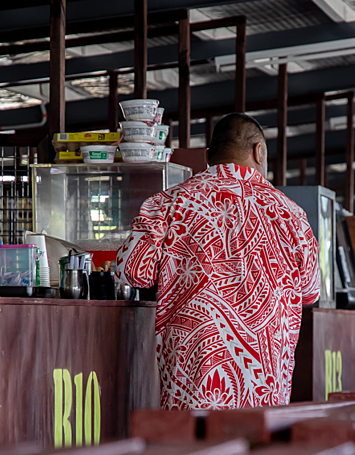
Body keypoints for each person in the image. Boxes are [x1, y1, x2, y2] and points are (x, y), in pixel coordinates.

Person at [116, 113, 321, 410]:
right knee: (260, 454)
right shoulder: (292, 215)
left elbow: (132, 272)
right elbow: (310, 293)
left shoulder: (168, 203)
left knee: (191, 453)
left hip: (193, 389)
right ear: (259, 151)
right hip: (266, 396)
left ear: (209, 156)